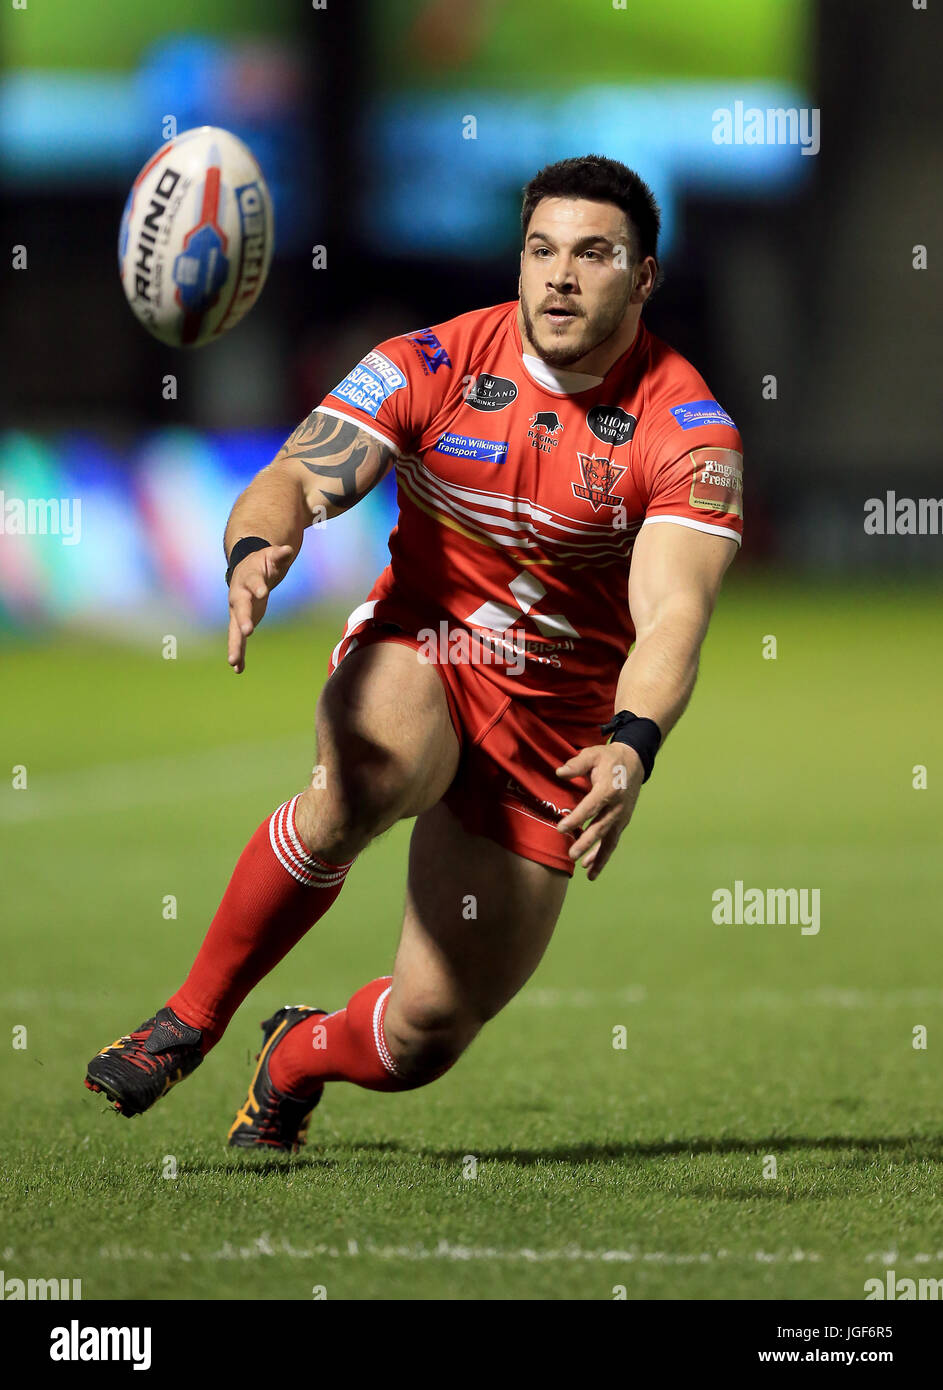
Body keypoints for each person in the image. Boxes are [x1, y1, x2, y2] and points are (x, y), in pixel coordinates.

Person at [85, 155, 744, 1151]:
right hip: (425, 650)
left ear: (643, 279)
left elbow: (673, 614)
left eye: (594, 254)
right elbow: (293, 476)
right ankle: (191, 1014)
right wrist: (260, 546)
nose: (561, 275)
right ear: (520, 260)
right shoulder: (429, 363)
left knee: (428, 1031)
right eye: (542, 250)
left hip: (557, 733)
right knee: (366, 775)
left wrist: (632, 741)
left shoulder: (688, 428)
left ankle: (293, 1054)